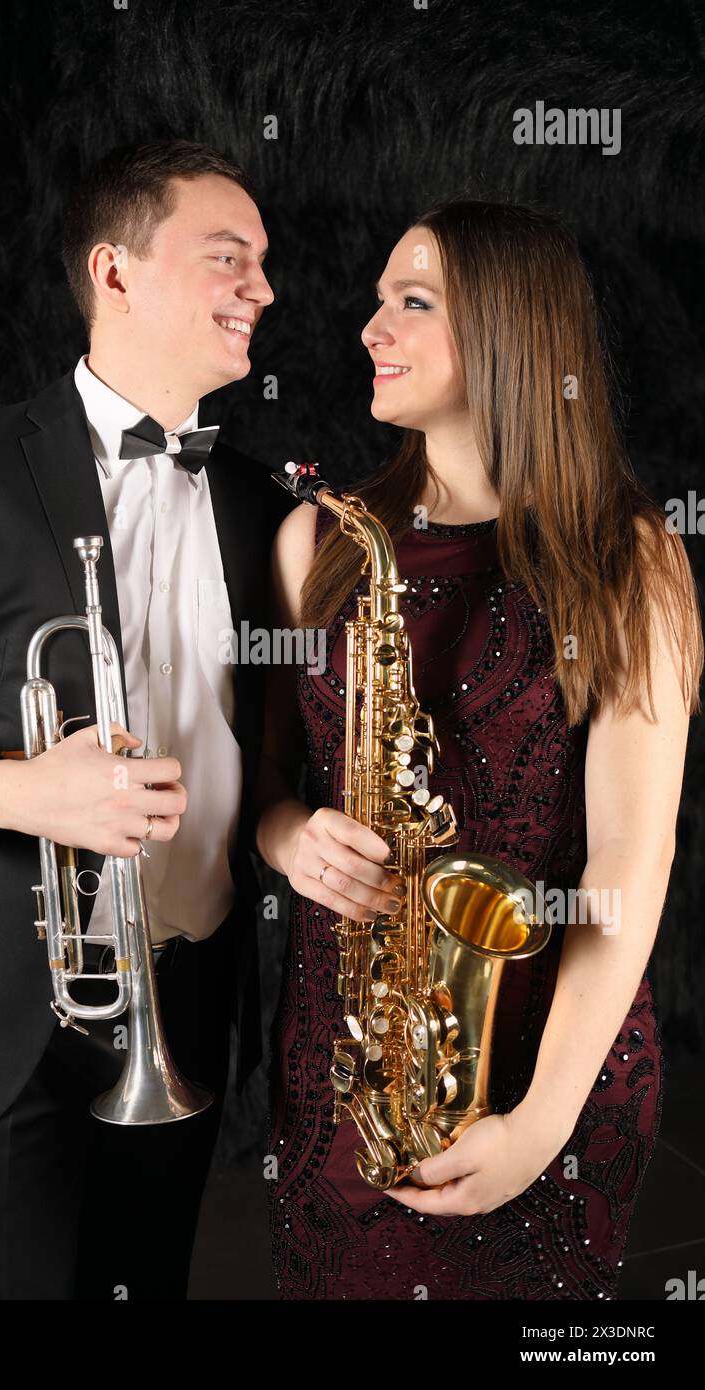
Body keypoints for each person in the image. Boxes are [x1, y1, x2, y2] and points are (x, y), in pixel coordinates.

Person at [0, 139, 289, 1299]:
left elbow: (273, 741)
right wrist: (13, 790)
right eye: (228, 257)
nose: (264, 289)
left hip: (183, 994)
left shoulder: (258, 503)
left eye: (265, 265)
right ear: (116, 272)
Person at [255, 200, 702, 1300]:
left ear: (511, 330)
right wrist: (286, 840)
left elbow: (626, 873)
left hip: (546, 1063)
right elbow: (262, 784)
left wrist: (538, 1124)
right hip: (346, 1057)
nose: (369, 328)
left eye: (412, 303)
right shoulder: (319, 537)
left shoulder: (624, 557)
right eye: (376, 300)